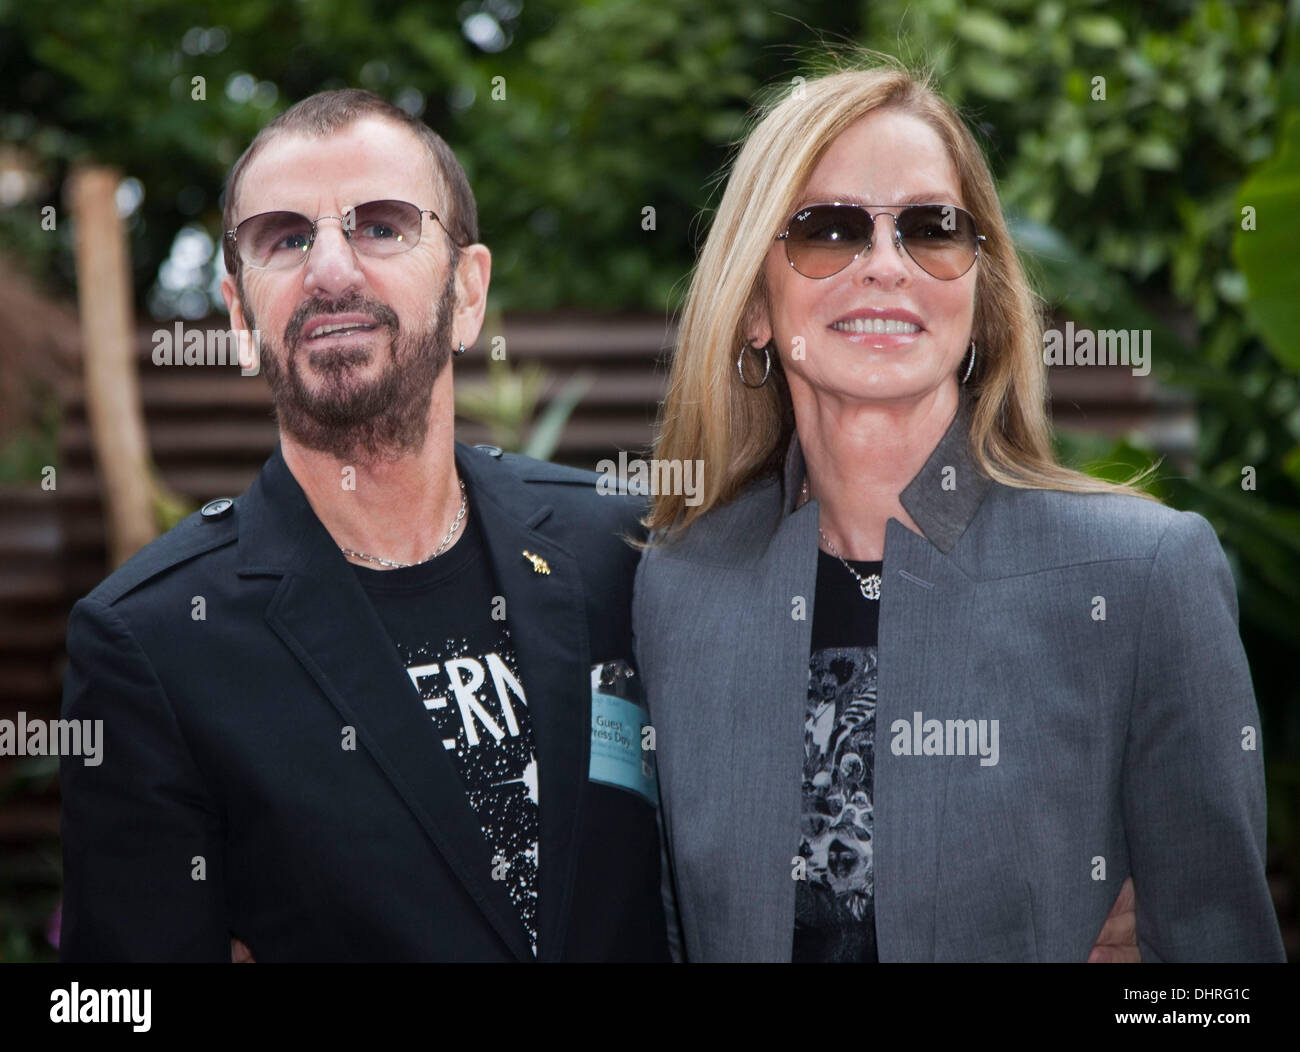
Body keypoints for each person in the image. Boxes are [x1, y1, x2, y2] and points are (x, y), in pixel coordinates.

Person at [632, 60, 1285, 962]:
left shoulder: (1143, 578)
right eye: (829, 229)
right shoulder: (679, 588)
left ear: (979, 296)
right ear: (753, 307)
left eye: (932, 229)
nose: (885, 265)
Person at [59, 89, 668, 962]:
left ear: (468, 291)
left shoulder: (622, 552)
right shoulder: (151, 642)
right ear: (239, 316)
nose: (330, 270)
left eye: (381, 226)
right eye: (285, 238)